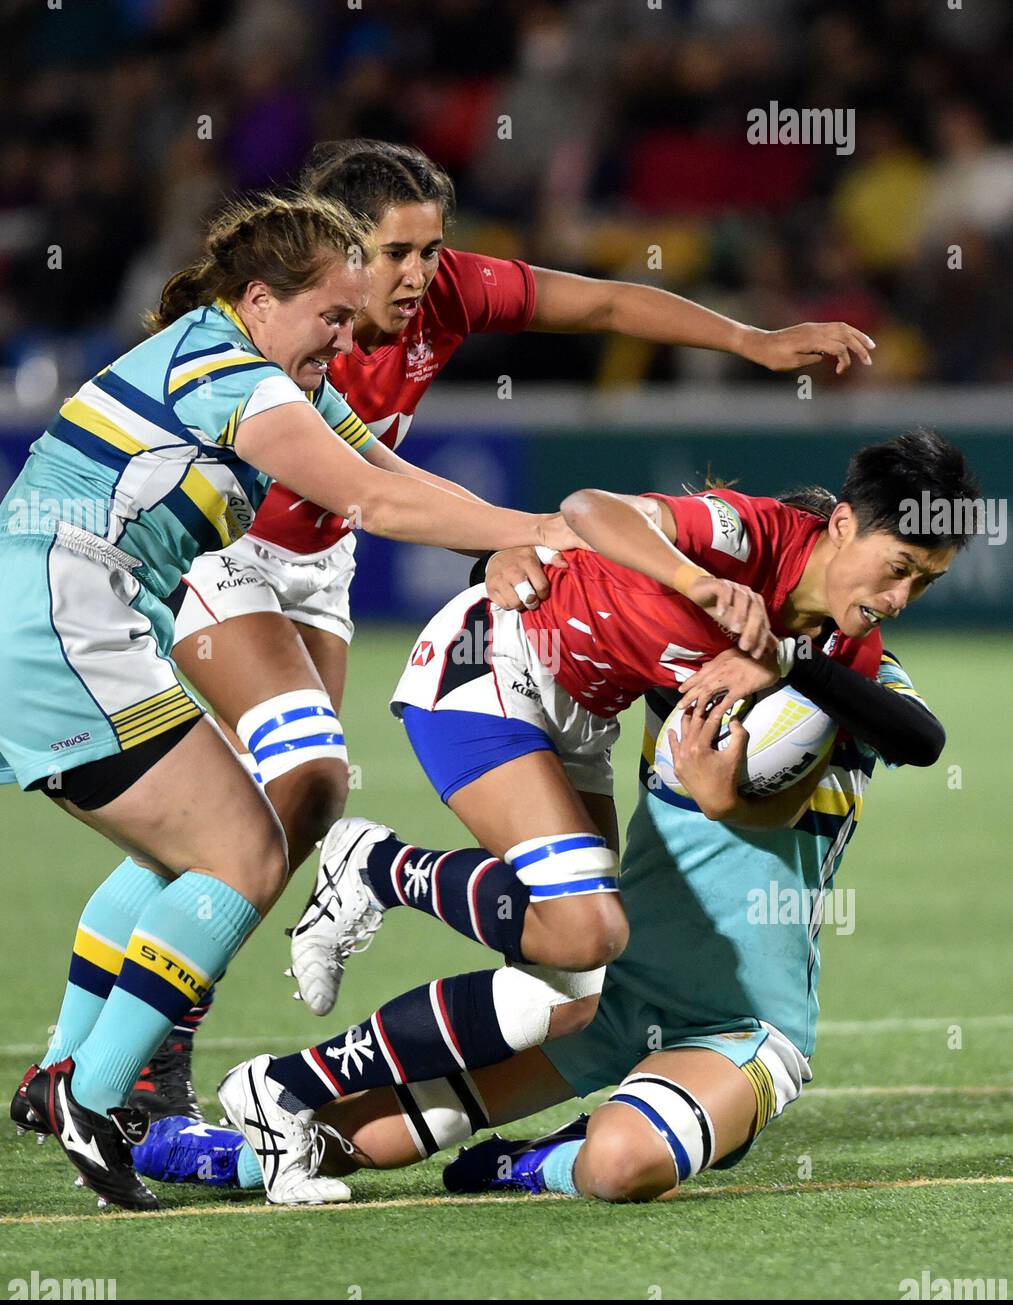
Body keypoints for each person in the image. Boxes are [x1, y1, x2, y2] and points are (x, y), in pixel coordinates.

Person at [144, 137, 876, 1117]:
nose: (419, 276)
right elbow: (376, 491)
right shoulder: (268, 330)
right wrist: (503, 537)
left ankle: (162, 1049)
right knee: (298, 786)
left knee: (303, 824)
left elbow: (609, 303)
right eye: (395, 254)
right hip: (219, 551)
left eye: (431, 250)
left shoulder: (446, 297)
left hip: (320, 566)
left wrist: (751, 341)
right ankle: (151, 1055)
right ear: (331, 250)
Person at [136, 436, 974, 1202]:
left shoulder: (858, 683)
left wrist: (784, 672)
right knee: (373, 1136)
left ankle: (531, 1162)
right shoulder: (717, 609)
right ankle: (228, 1142)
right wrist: (504, 559)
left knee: (617, 1163)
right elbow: (593, 582)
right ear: (836, 527)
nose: (899, 598)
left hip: (746, 1021)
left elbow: (920, 739)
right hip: (619, 996)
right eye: (896, 568)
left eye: (923, 583)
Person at [2, 190, 581, 1210]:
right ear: (260, 298)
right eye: (330, 317)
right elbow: (376, 502)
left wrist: (519, 528)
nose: (348, 334)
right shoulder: (231, 374)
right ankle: (95, 1101)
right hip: (59, 620)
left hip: (70, 616)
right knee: (246, 851)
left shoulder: (256, 360)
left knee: (196, 843)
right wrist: (537, 528)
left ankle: (67, 1078)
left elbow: (380, 467)